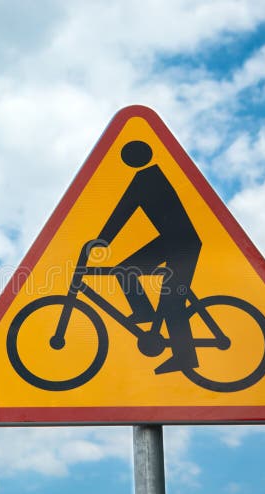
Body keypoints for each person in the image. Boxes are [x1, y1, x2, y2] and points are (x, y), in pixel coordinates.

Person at [94, 140, 201, 374]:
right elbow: (123, 210)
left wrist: (102, 240)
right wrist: (102, 240)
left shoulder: (148, 180)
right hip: (172, 240)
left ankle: (185, 358)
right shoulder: (147, 177)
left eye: (129, 154)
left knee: (172, 300)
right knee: (124, 270)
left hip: (181, 244)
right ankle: (144, 312)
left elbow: (123, 211)